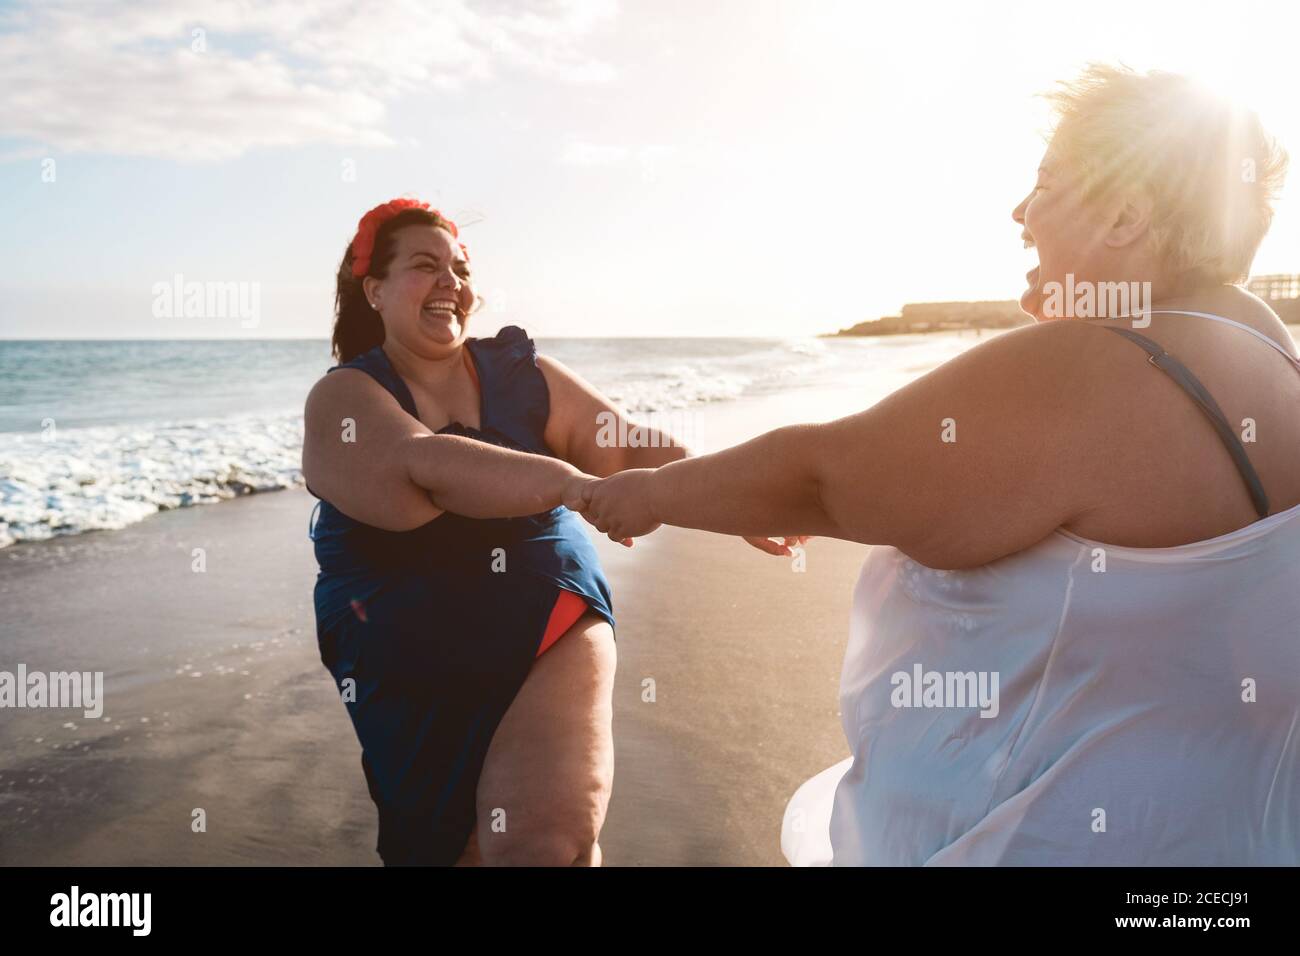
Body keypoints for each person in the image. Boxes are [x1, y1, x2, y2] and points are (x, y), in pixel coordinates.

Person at [567, 65, 1300, 865]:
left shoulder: (1095, 363)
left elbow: (823, 477)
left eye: (1047, 182)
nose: (1021, 211)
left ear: (1127, 213)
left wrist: (648, 491)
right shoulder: (1271, 359)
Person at [302, 198, 701, 865]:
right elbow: (421, 472)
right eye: (425, 266)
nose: (451, 282)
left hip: (549, 617)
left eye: (459, 268)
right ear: (374, 289)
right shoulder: (344, 399)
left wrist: (745, 491)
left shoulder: (522, 375)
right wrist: (570, 484)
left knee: (542, 844)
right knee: (449, 851)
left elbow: (627, 447)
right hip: (405, 664)